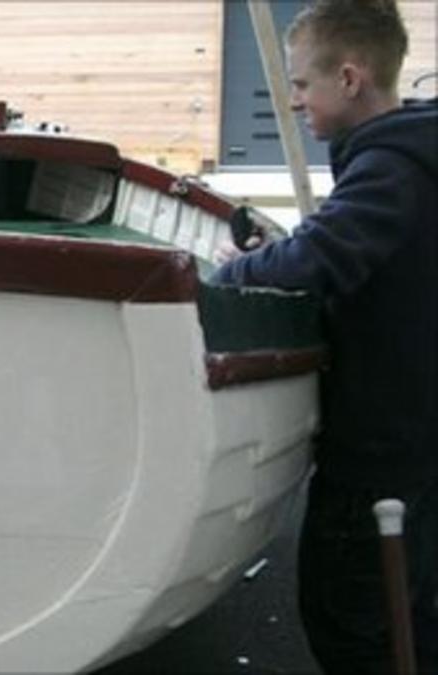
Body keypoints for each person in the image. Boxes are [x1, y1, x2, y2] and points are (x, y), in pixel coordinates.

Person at [212, 1, 436, 672]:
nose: (294, 100)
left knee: (350, 621)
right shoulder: (409, 158)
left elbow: (317, 262)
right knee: (408, 613)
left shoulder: (391, 169)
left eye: (301, 84)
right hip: (416, 438)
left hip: (382, 449)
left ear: (349, 77)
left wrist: (231, 274)